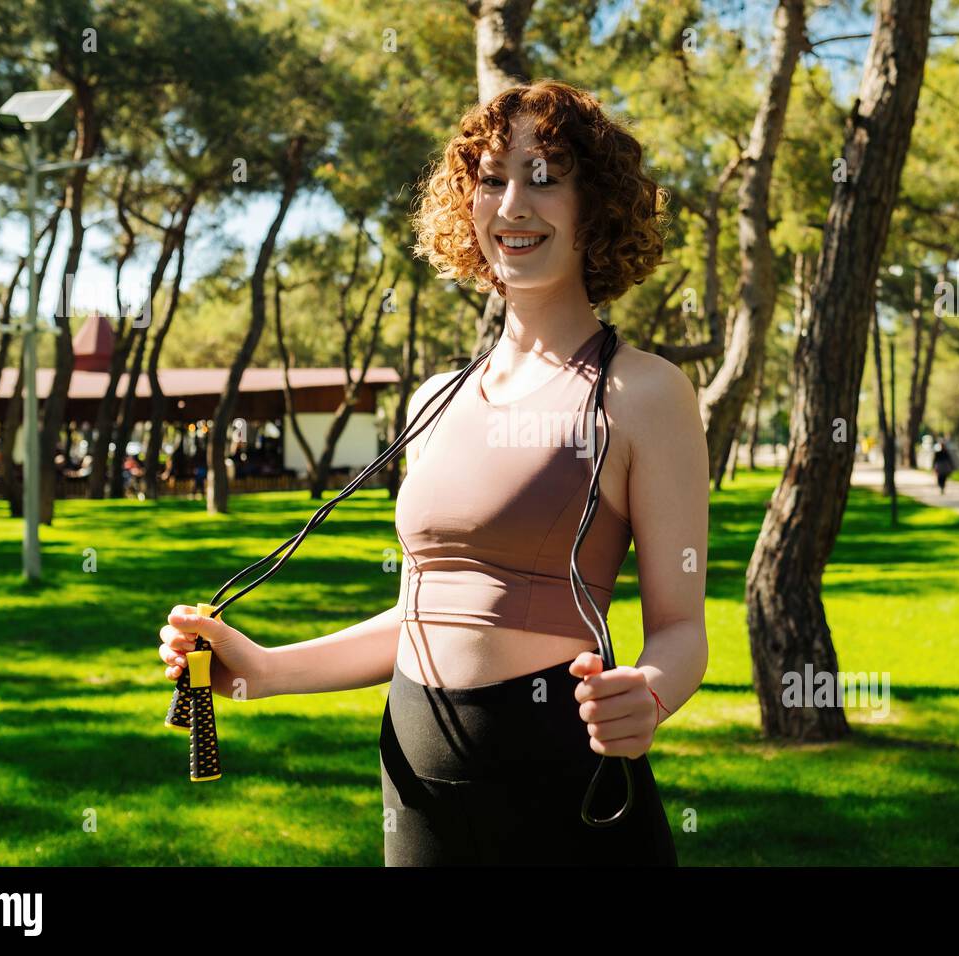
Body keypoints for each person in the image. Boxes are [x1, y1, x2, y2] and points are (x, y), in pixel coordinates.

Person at [156, 81, 709, 866]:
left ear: (598, 206)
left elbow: (683, 629)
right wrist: (265, 670)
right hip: (413, 777)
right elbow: (422, 614)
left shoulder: (645, 393)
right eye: (491, 178)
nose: (513, 205)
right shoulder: (435, 399)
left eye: (545, 176)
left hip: (562, 783)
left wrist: (650, 692)